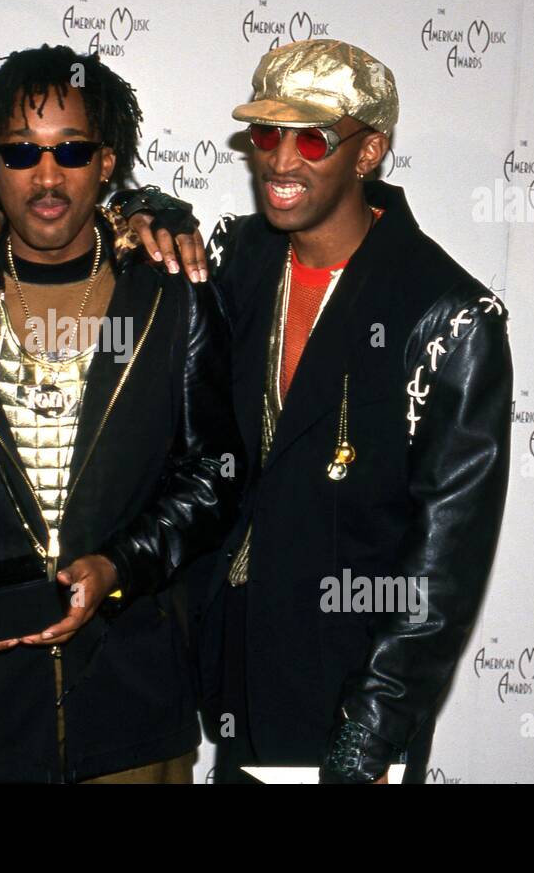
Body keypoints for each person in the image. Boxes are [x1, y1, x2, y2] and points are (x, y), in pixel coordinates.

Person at [0, 44, 241, 783]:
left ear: (107, 164)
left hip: (133, 708)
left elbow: (215, 475)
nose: (46, 175)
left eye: (71, 150)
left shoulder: (171, 295)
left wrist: (119, 566)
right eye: (21, 152)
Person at [191, 38, 514, 783]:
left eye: (311, 138)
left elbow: (444, 564)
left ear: (369, 151)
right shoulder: (239, 258)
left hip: (348, 701)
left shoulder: (448, 316)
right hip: (236, 678)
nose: (279, 160)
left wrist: (371, 733)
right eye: (266, 135)